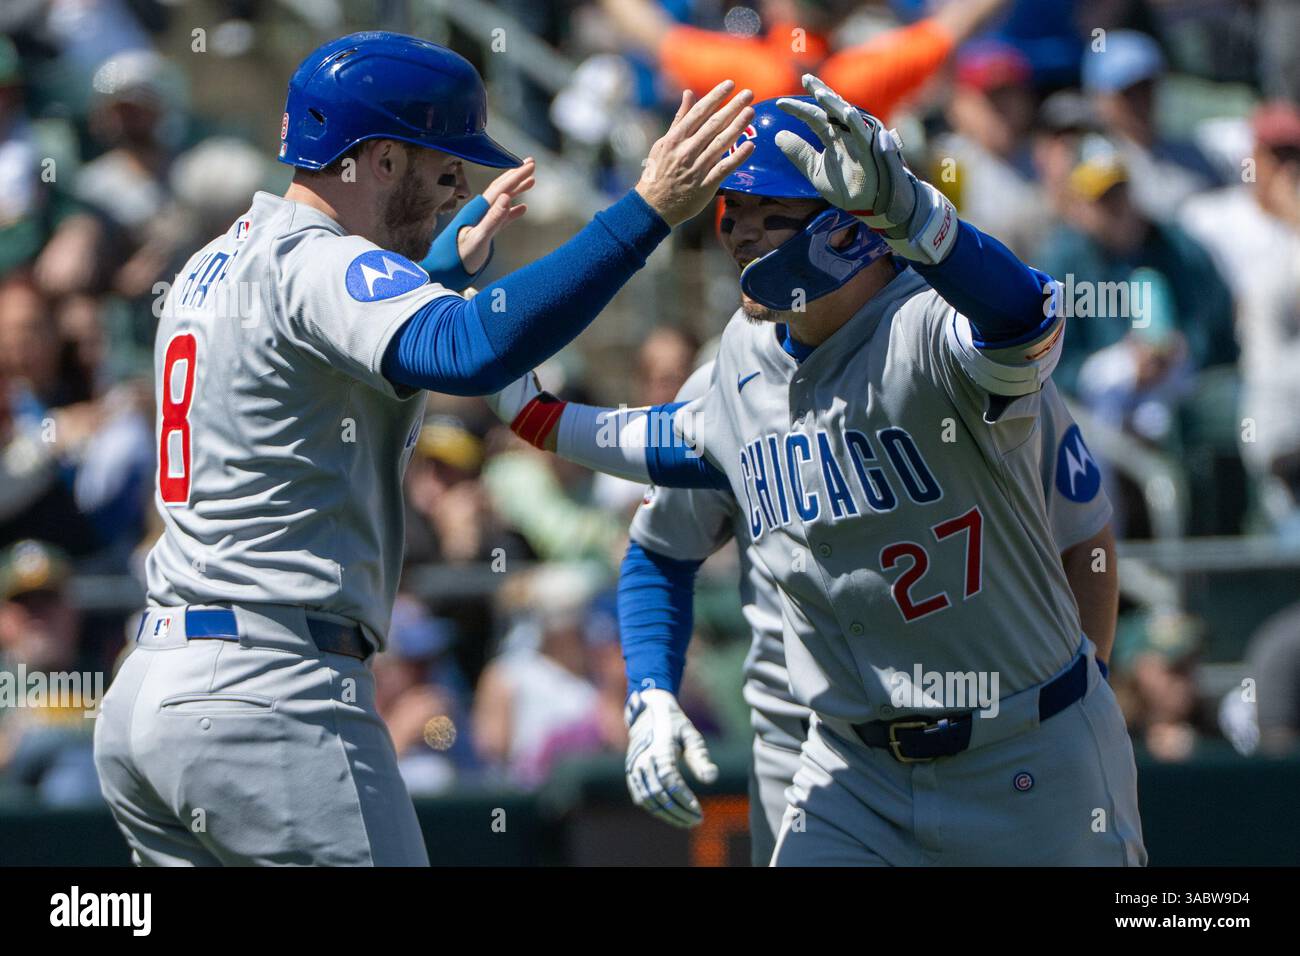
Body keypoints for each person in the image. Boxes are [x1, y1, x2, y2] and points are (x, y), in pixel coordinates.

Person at [92, 31, 756, 866]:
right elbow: (472, 351)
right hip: (268, 693)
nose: (457, 190)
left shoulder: (211, 264)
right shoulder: (319, 263)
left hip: (153, 690)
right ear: (374, 160)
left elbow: (327, 360)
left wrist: (437, 274)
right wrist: (646, 211)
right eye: (442, 167)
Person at [487, 76, 1146, 865]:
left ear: (854, 226)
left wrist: (917, 215)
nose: (742, 234)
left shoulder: (933, 331)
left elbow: (1029, 321)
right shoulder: (737, 356)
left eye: (775, 215)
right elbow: (659, 500)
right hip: (844, 763)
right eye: (735, 211)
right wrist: (651, 691)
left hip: (1022, 756)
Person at [619, 355, 1117, 862]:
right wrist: (650, 686)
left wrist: (1081, 696)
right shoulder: (729, 379)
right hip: (812, 755)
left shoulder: (964, 347)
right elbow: (659, 549)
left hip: (1002, 748)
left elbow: (1085, 540)